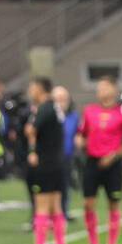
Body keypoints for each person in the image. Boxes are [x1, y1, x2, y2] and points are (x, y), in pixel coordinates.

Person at [76, 76, 122, 244]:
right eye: (99, 88)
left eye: (104, 87)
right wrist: (80, 142)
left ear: (113, 90)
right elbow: (82, 134)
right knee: (88, 203)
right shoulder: (89, 111)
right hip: (92, 162)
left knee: (113, 203)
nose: (100, 91)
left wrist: (114, 155)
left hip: (113, 164)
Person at [23, 77, 67, 244]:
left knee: (41, 207)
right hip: (57, 162)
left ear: (39, 89)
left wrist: (32, 149)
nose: (30, 91)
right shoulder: (55, 107)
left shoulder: (44, 108)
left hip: (45, 163)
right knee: (56, 206)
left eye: (32, 87)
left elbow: (31, 130)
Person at [52, 85, 80, 221]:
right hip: (50, 158)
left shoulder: (73, 116)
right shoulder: (50, 116)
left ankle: (64, 212)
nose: (61, 103)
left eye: (64, 99)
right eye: (58, 99)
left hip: (67, 157)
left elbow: (78, 134)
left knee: (65, 186)